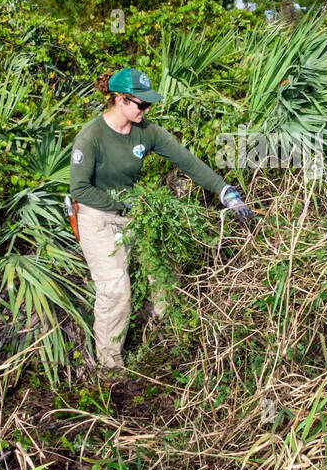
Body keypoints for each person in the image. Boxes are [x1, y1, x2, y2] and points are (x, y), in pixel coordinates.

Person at [69, 67, 254, 375]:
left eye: (149, 104)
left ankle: (160, 339)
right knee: (115, 290)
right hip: (95, 215)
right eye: (141, 104)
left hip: (132, 213)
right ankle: (110, 369)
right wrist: (119, 203)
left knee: (163, 272)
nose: (146, 109)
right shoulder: (91, 137)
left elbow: (188, 162)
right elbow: (79, 188)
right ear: (119, 100)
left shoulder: (147, 132)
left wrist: (226, 192)